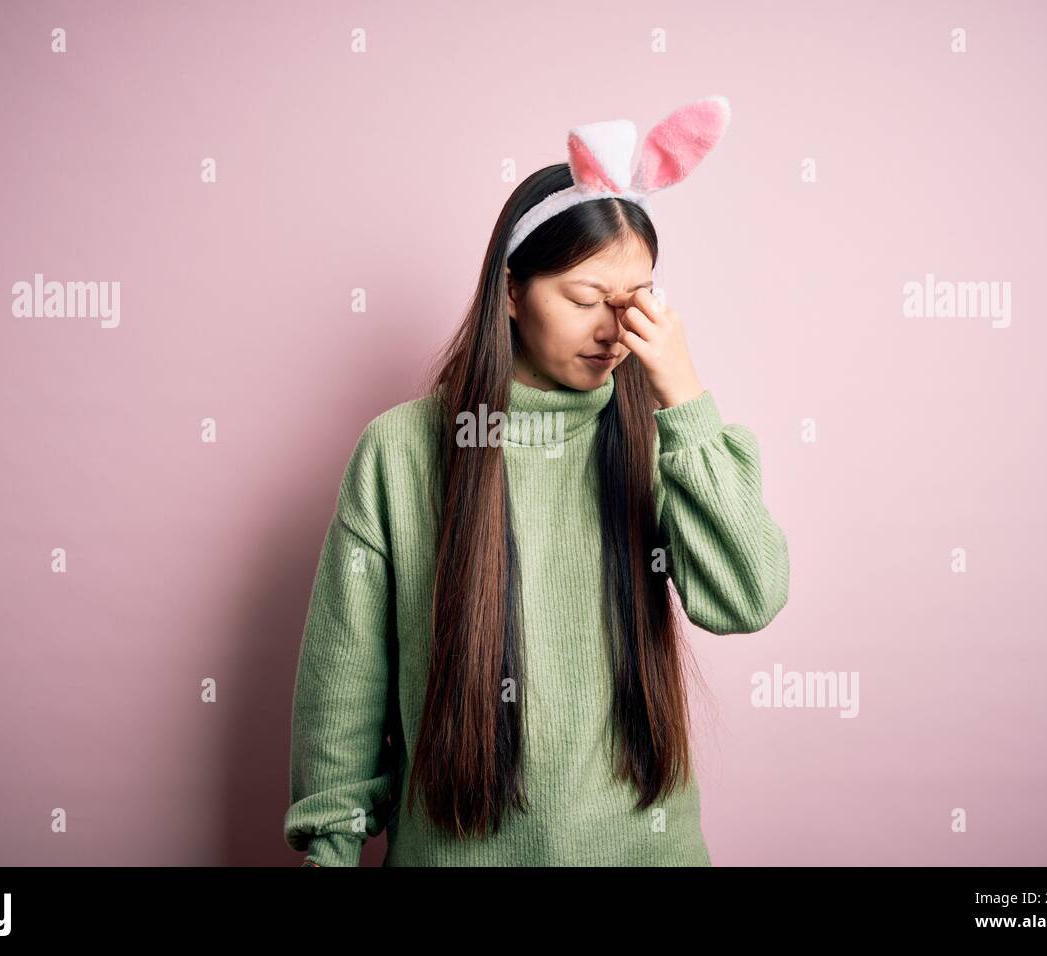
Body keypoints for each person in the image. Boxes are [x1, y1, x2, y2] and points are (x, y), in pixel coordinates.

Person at [285, 97, 789, 866]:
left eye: (635, 301)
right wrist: (330, 851)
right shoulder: (401, 452)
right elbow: (341, 695)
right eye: (586, 300)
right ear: (512, 291)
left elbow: (747, 598)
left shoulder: (670, 441)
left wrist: (685, 402)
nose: (613, 331)